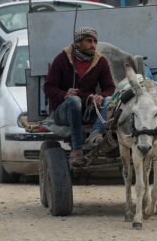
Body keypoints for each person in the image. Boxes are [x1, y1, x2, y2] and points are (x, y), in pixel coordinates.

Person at [43, 26, 115, 166]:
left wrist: (100, 96)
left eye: (95, 41)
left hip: (88, 110)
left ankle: (95, 134)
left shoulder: (101, 61)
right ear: (78, 43)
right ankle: (77, 149)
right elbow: (48, 87)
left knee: (110, 101)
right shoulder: (62, 59)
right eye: (89, 41)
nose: (93, 45)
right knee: (74, 101)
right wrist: (64, 95)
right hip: (63, 112)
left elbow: (110, 88)